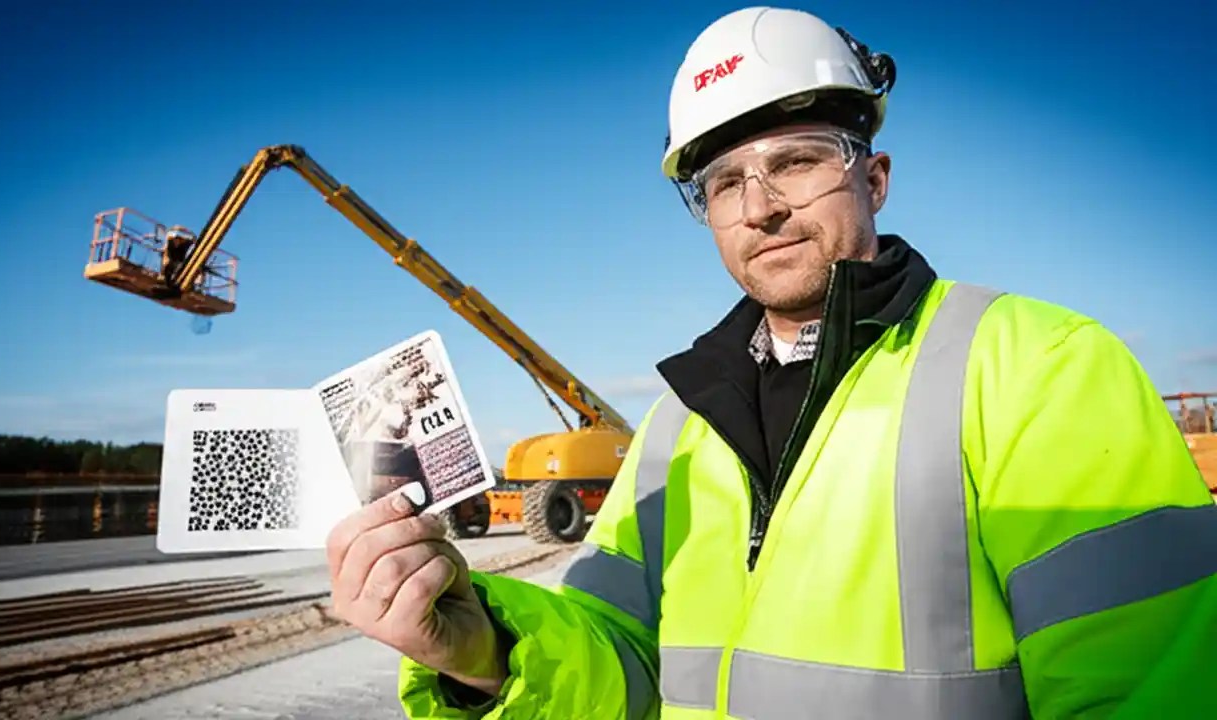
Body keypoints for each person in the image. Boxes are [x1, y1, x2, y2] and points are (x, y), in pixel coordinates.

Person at [325, 7, 1217, 718]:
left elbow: (1148, 694)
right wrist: (480, 648)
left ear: (874, 180)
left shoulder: (1040, 368)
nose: (761, 208)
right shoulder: (680, 420)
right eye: (723, 184)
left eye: (796, 162)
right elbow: (621, 655)